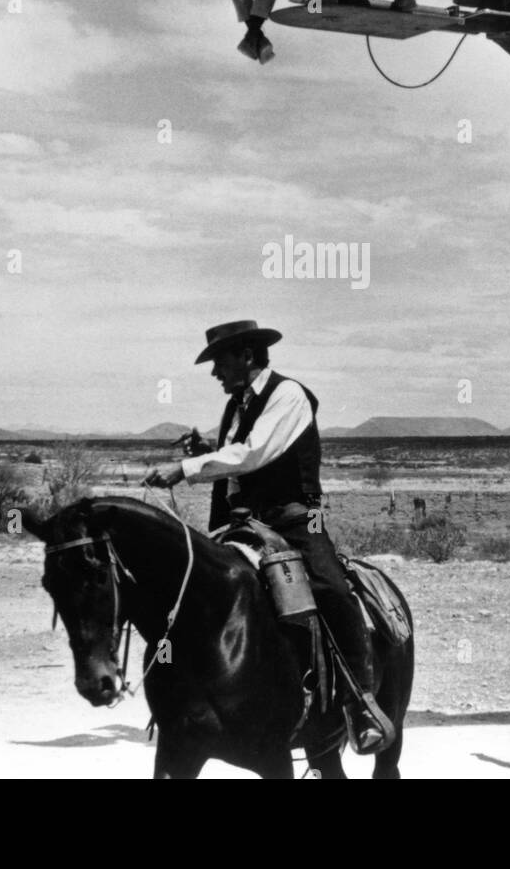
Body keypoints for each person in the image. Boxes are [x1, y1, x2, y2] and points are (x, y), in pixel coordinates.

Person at [143, 319, 395, 755]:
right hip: (244, 521)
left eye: (219, 362)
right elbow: (241, 463)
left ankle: (361, 701)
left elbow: (254, 453)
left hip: (299, 518)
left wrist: (183, 470)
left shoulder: (288, 395)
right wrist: (205, 454)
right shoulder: (236, 406)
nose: (214, 373)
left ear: (246, 356)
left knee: (330, 586)